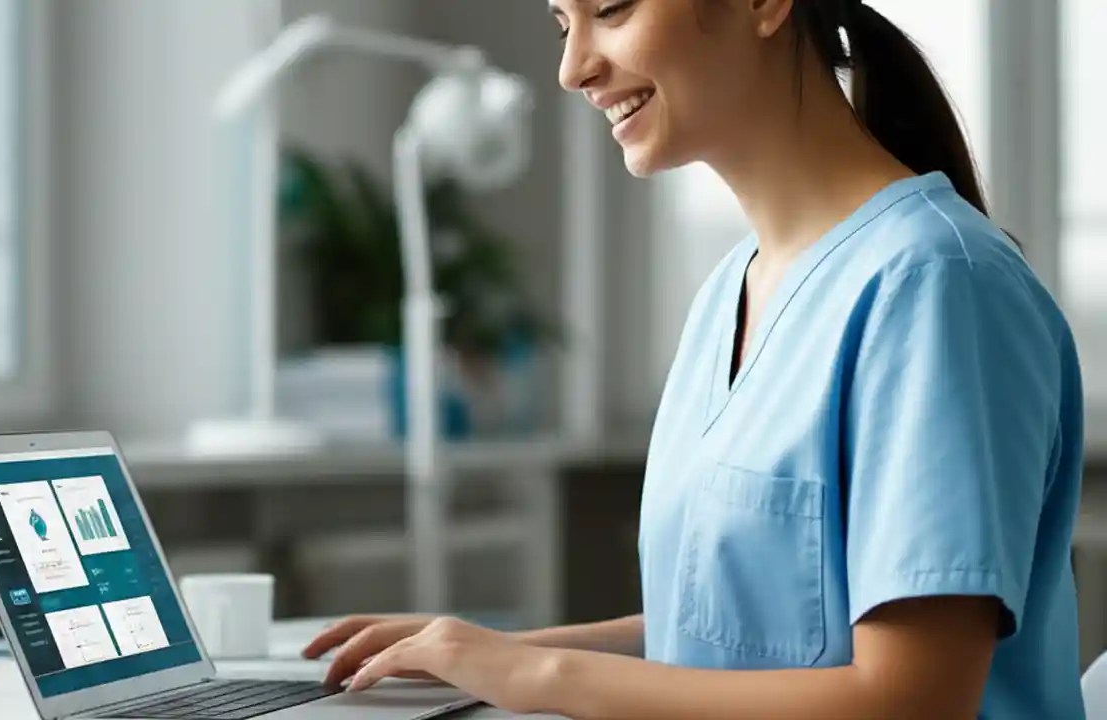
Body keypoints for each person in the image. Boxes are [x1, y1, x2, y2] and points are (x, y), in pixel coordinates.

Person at [302, 1, 1086, 716]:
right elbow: (742, 637)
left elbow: (911, 697)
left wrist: (538, 679)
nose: (574, 68)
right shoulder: (729, 291)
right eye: (561, 24)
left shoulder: (935, 285)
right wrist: (481, 655)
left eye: (611, 9)